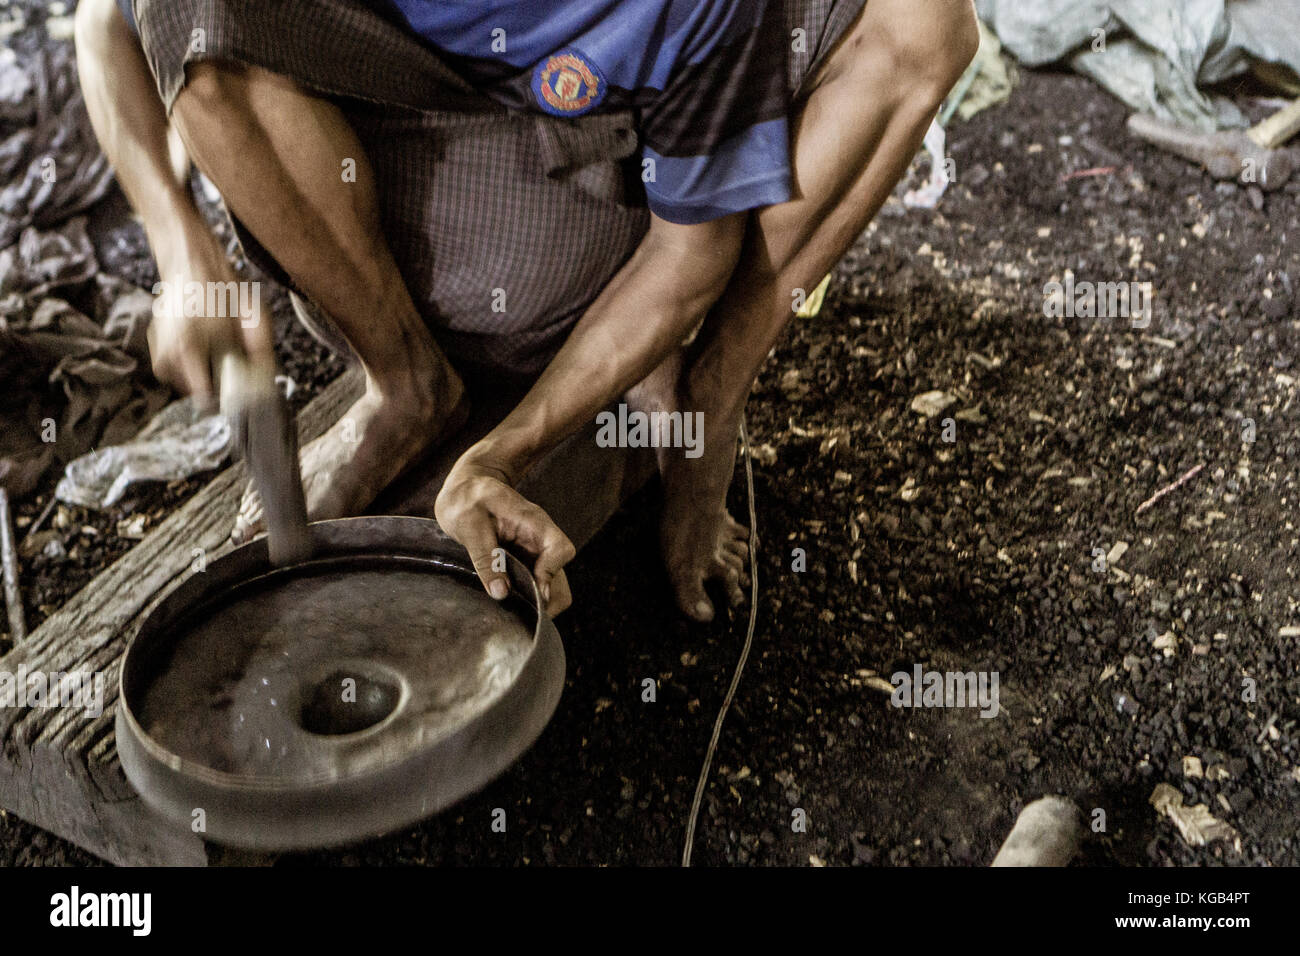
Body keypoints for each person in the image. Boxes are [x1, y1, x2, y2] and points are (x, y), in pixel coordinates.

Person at [75, 0, 978, 618]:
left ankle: (704, 397)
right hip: (402, 221)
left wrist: (504, 457)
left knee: (926, 19)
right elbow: (104, 22)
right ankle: (405, 386)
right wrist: (180, 249)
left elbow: (688, 257)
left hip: (589, 223)